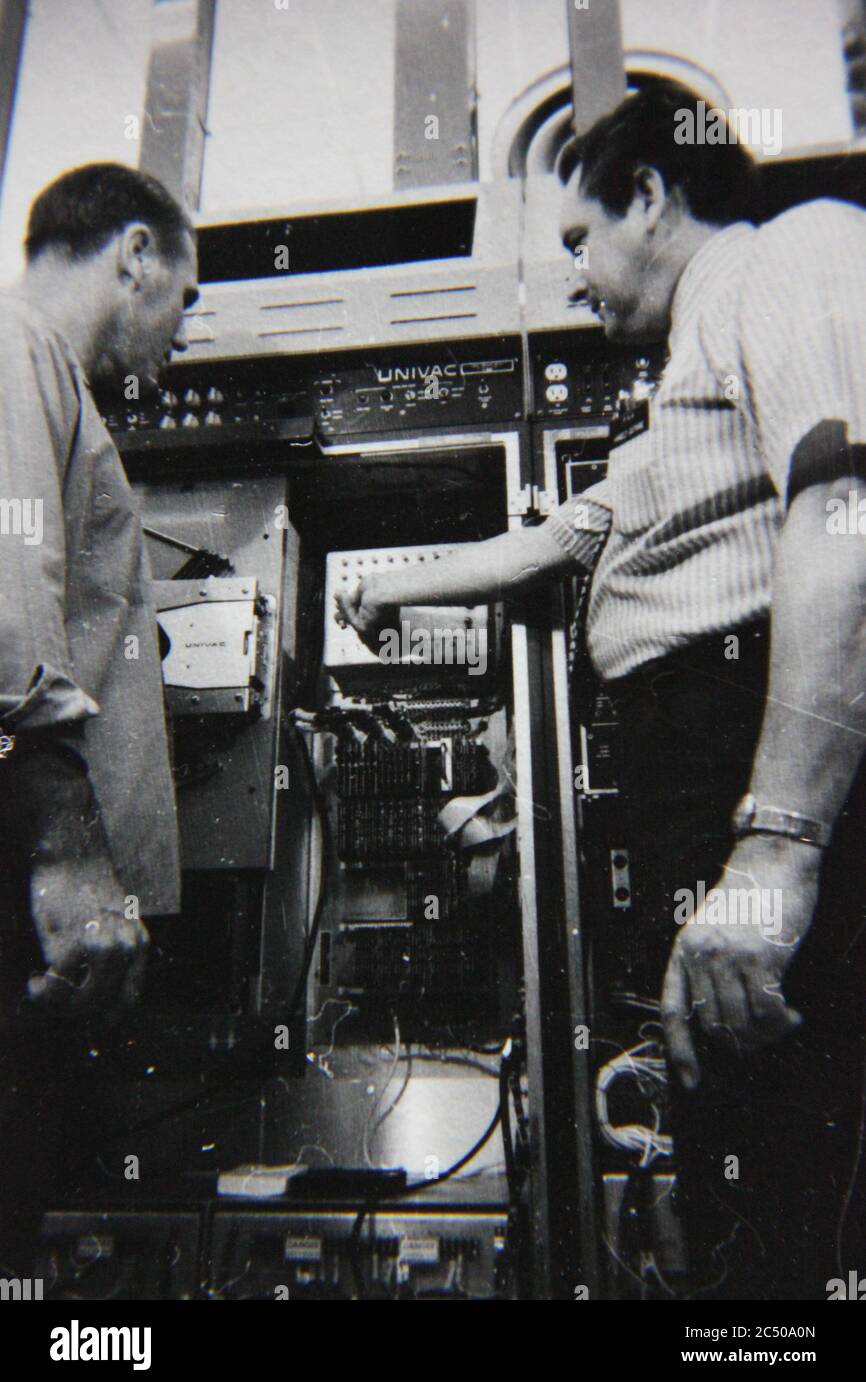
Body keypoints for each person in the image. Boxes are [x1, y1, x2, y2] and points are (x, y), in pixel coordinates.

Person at [338, 80, 866, 1299]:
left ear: (648, 194)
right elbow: (561, 539)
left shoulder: (790, 256)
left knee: (810, 1190)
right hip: (708, 780)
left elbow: (841, 508)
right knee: (758, 1175)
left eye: (578, 240)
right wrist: (395, 588)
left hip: (766, 772)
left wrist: (774, 851)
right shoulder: (681, 393)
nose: (573, 277)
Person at [0, 162, 199, 1275]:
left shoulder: (47, 379)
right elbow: (6, 605)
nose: (180, 333)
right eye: (184, 299)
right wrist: (69, 853)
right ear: (134, 255)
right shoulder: (18, 349)